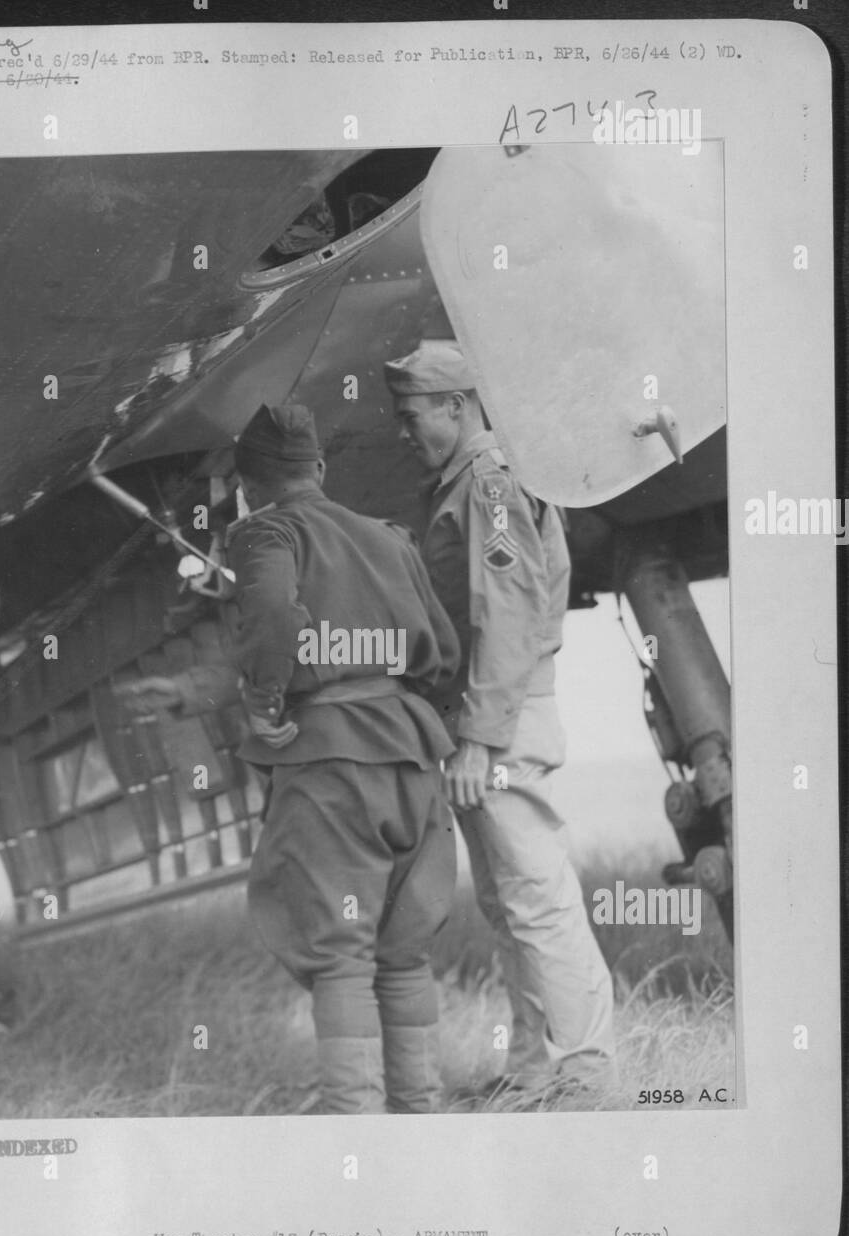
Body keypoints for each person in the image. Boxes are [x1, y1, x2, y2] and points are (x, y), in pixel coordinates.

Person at [383, 340, 618, 1102]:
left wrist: (479, 740)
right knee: (509, 903)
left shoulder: (487, 486)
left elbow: (509, 618)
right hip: (485, 723)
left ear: (456, 407)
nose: (402, 430)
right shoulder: (462, 487)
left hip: (501, 723)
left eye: (411, 415)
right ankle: (534, 1067)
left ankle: (584, 1069)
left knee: (536, 898)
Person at [223, 402, 461, 1114]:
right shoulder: (391, 541)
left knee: (339, 953)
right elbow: (443, 651)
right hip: (415, 757)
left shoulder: (266, 530)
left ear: (249, 484)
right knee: (404, 948)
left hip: (332, 760)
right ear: (320, 470)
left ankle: (353, 1124)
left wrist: (264, 703)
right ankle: (419, 1113)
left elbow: (270, 616)